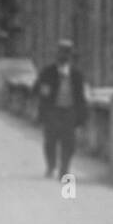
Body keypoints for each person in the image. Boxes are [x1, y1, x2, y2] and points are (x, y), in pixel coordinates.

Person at [34, 38, 88, 179]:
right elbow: (36, 90)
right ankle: (51, 166)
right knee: (50, 142)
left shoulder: (77, 74)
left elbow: (81, 97)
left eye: (67, 54)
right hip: (52, 111)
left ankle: (64, 169)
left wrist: (82, 117)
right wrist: (44, 90)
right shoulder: (48, 72)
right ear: (57, 55)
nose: (64, 57)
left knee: (69, 143)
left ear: (70, 57)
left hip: (69, 112)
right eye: (61, 54)